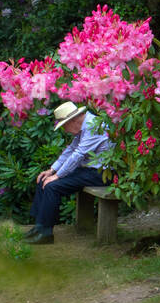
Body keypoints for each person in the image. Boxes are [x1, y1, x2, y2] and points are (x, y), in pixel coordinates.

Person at [24, 102, 113, 245]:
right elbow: (71, 149)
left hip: (102, 174)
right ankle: (39, 226)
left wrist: (57, 176)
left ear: (72, 120)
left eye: (64, 126)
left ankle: (46, 233)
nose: (65, 130)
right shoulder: (84, 125)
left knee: (53, 186)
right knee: (44, 180)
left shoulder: (92, 126)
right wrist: (52, 170)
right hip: (89, 171)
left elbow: (78, 155)